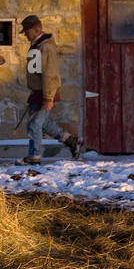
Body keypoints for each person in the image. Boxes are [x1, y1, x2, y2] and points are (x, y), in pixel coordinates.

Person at [20, 14, 84, 164]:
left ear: (37, 29)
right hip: (37, 92)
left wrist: (48, 98)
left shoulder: (46, 47)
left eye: (28, 32)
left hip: (45, 92)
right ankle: (71, 141)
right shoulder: (37, 46)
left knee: (34, 124)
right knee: (42, 123)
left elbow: (49, 73)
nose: (26, 35)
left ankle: (34, 157)